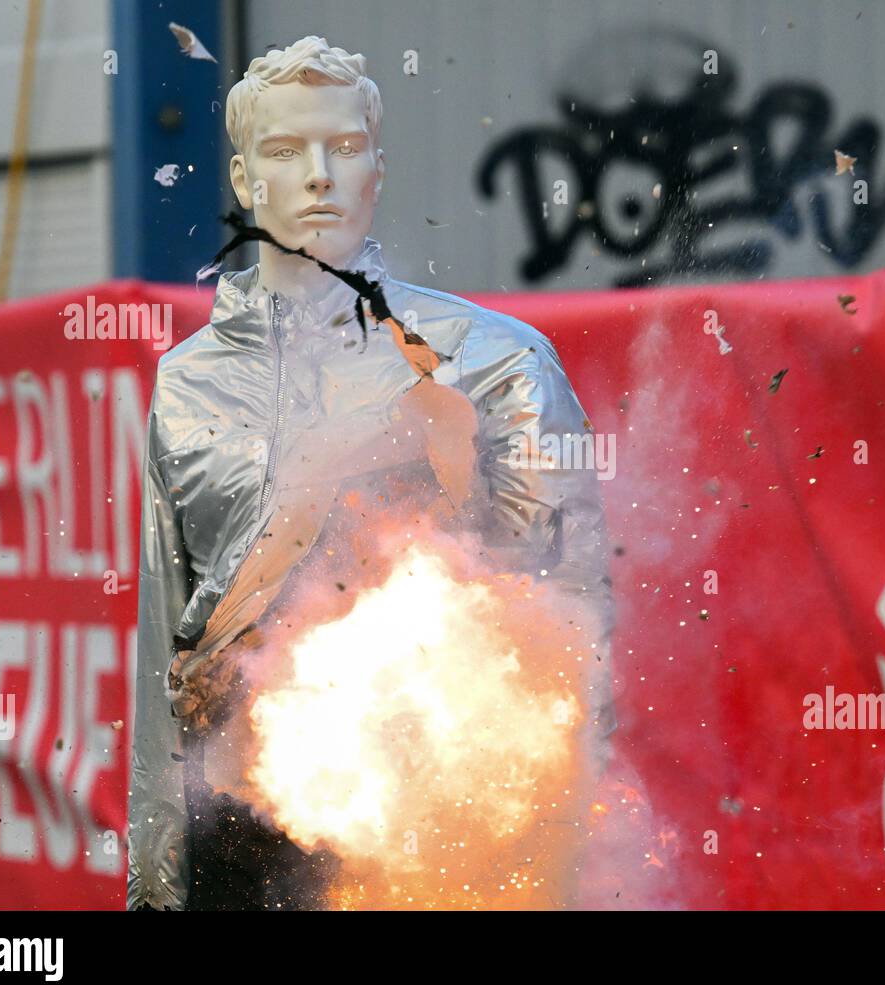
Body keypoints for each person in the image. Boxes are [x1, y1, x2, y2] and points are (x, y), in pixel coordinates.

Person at [126, 35, 615, 911]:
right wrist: (157, 885)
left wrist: (551, 871)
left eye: (343, 148)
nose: (319, 175)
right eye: (285, 150)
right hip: (228, 839)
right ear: (244, 183)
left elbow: (576, 640)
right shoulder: (187, 380)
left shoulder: (493, 365)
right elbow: (165, 634)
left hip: (422, 836)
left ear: (377, 170)